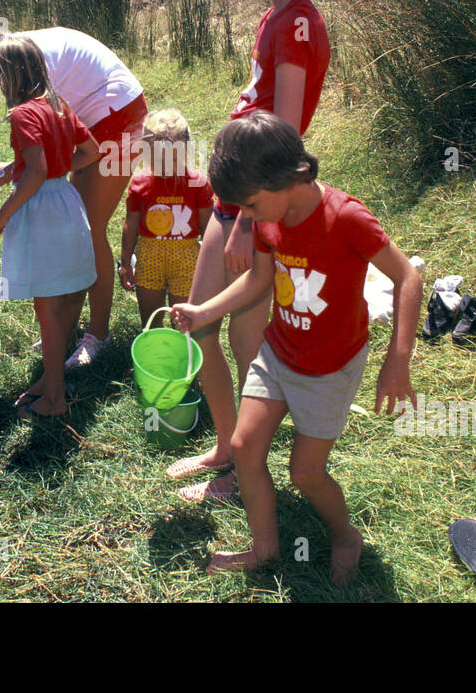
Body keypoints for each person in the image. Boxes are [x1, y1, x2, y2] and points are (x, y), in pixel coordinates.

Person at [170, 114, 420, 584]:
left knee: (305, 473)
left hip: (329, 367)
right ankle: (265, 549)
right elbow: (260, 278)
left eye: (250, 203)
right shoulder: (269, 217)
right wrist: (206, 313)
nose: (247, 214)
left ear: (288, 177)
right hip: (278, 352)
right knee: (244, 447)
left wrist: (397, 361)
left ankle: (345, 535)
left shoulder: (346, 217)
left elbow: (408, 276)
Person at [170, 0, 332, 503]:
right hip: (240, 195)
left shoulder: (295, 22)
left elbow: (285, 140)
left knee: (232, 332)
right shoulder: (277, 15)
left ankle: (242, 465)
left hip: (253, 202)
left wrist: (243, 219)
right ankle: (226, 446)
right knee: (213, 325)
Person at [0, 14, 147, 369]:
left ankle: (98, 334)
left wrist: (5, 176)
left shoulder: (27, 60)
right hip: (94, 119)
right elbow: (49, 145)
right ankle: (66, 326)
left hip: (116, 113)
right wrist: (9, 169)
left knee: (90, 230)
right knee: (76, 230)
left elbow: (47, 148)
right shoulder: (18, 55)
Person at [0, 35, 100, 420]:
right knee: (60, 302)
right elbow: (90, 152)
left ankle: (55, 398)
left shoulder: (23, 114)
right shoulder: (59, 105)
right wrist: (49, 169)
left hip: (41, 214)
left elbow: (36, 169)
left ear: (8, 76)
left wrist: (3, 213)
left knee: (48, 310)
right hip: (68, 205)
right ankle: (50, 381)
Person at [119, 108, 214, 329]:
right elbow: (130, 224)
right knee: (151, 321)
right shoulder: (140, 182)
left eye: (175, 159)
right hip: (149, 257)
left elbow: (208, 227)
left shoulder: (198, 182)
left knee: (184, 323)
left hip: (187, 260)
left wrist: (211, 266)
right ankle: (154, 359)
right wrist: (125, 263)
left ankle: (183, 360)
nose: (168, 166)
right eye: (160, 159)